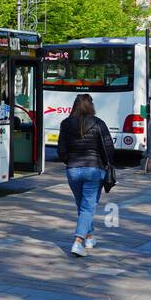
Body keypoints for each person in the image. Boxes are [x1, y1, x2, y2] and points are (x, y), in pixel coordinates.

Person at [56, 93, 115, 257]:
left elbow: (61, 150)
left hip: (73, 170)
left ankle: (89, 237)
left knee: (82, 205)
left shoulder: (66, 124)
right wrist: (106, 164)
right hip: (93, 169)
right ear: (91, 106)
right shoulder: (98, 123)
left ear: (74, 106)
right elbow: (109, 148)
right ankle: (78, 241)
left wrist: (69, 161)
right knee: (87, 207)